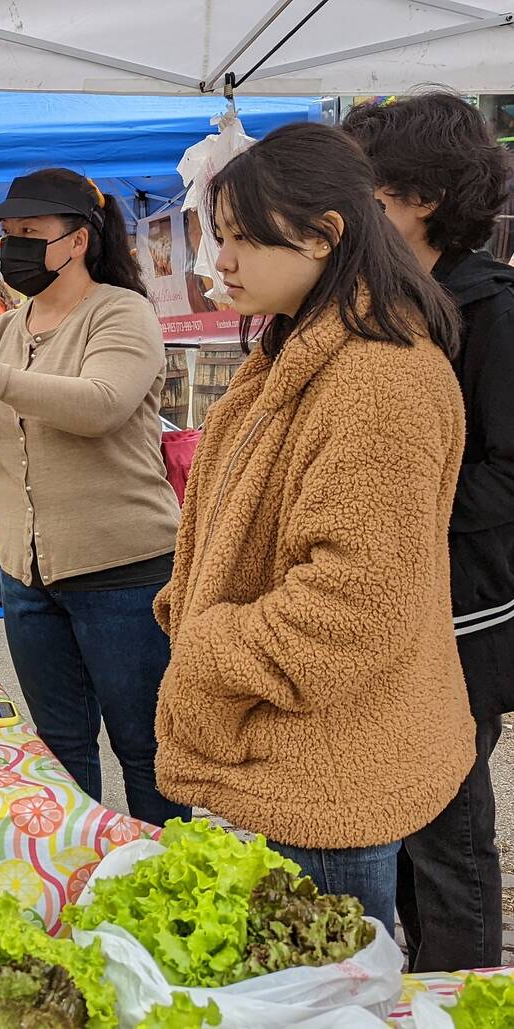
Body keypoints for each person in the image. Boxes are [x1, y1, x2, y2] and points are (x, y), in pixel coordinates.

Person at [150, 123, 471, 930]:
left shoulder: (379, 380)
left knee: (326, 991)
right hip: (288, 743)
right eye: (217, 236)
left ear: (326, 236)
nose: (220, 261)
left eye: (243, 239)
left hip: (322, 766)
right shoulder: (301, 351)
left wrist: (208, 647)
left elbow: (353, 605)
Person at [0, 169, 187, 827]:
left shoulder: (122, 312)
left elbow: (102, 404)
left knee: (147, 752)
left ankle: (171, 887)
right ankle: (79, 878)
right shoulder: (1, 332)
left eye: (29, 234)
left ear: (77, 240)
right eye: (7, 235)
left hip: (124, 573)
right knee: (61, 751)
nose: (12, 248)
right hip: (27, 578)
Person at [343, 92, 514, 970]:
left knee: (448, 825)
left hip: (462, 608)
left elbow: (508, 471)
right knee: (399, 809)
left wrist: (402, 511)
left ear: (422, 198)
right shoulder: (383, 303)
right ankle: (415, 980)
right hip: (390, 597)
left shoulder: (491, 309)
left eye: (368, 196)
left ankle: (466, 988)